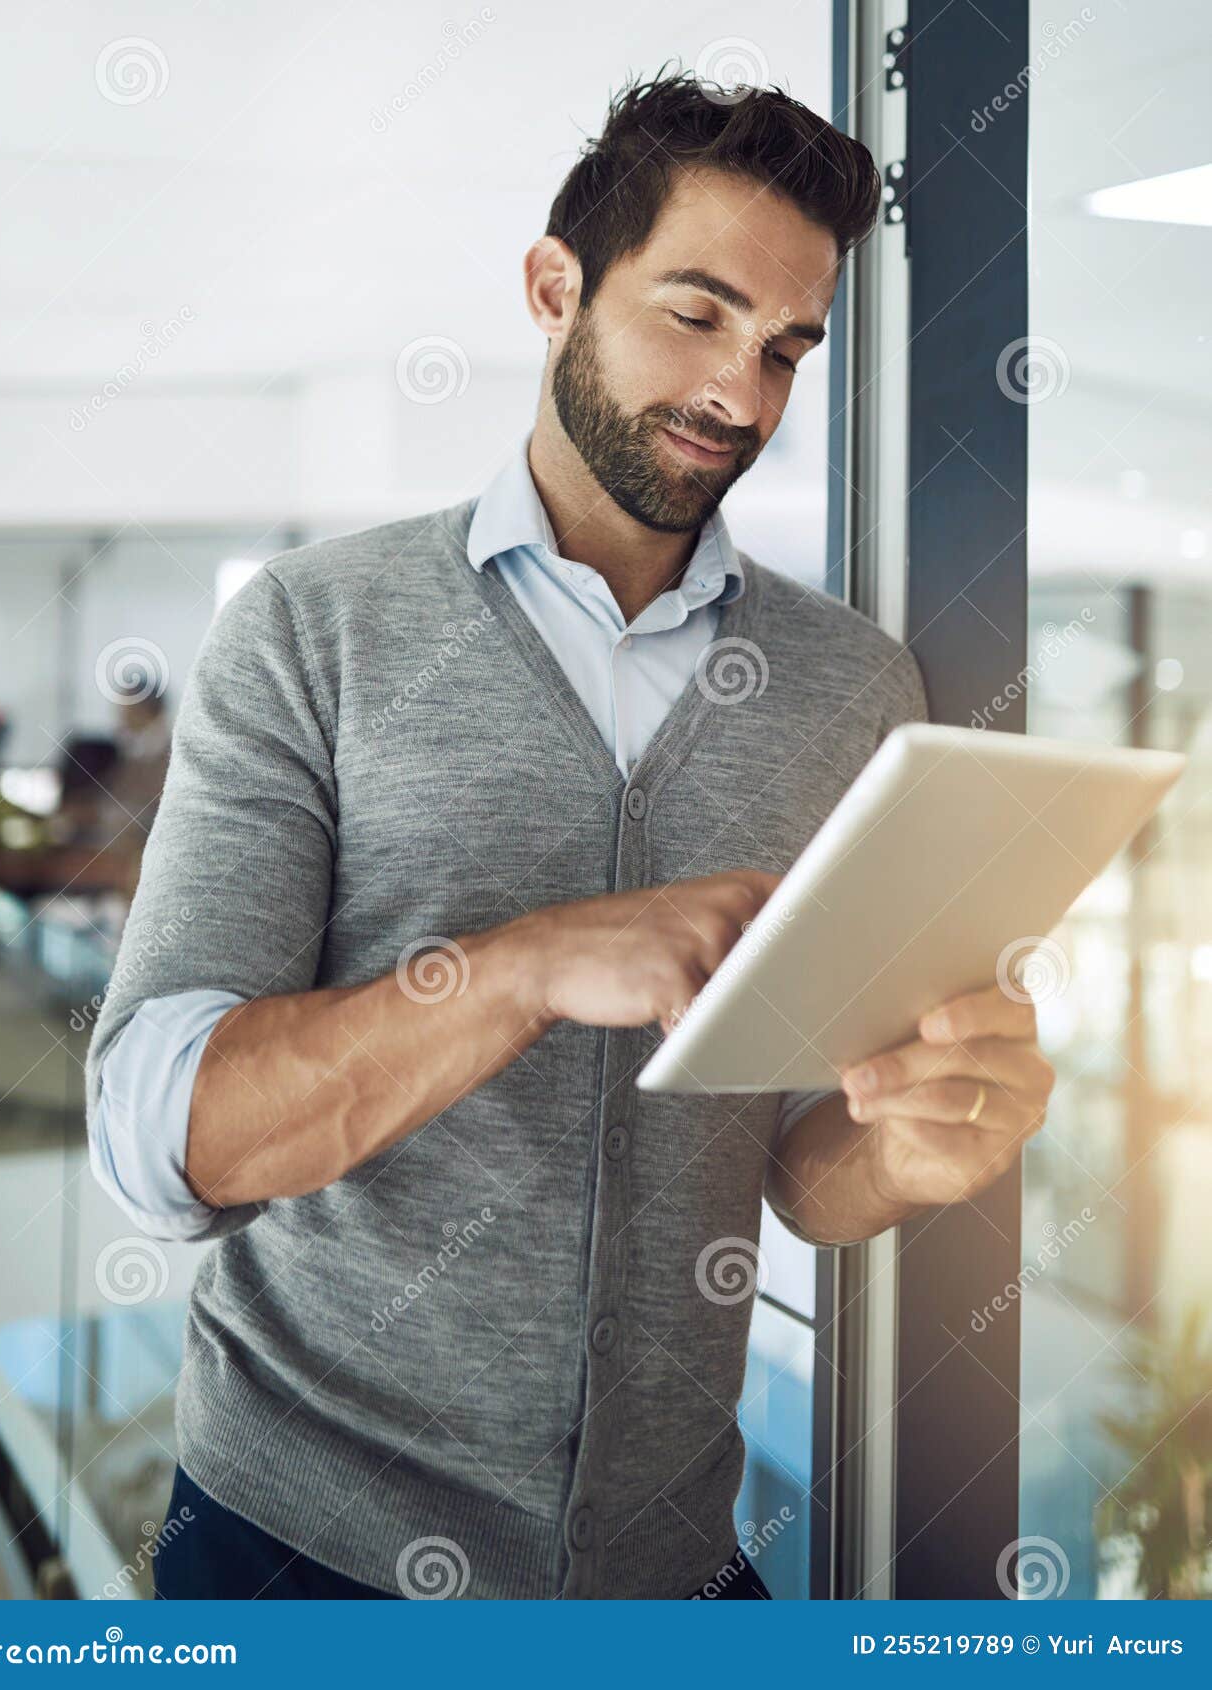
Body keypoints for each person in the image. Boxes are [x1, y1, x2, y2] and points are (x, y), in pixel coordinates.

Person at [85, 69, 1054, 1601]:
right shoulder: (312, 632)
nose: (742, 393)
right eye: (697, 313)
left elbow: (802, 1169)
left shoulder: (853, 689)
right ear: (555, 289)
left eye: (786, 347)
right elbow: (163, 1139)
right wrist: (524, 968)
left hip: (671, 1568)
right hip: (298, 1551)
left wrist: (916, 1140)